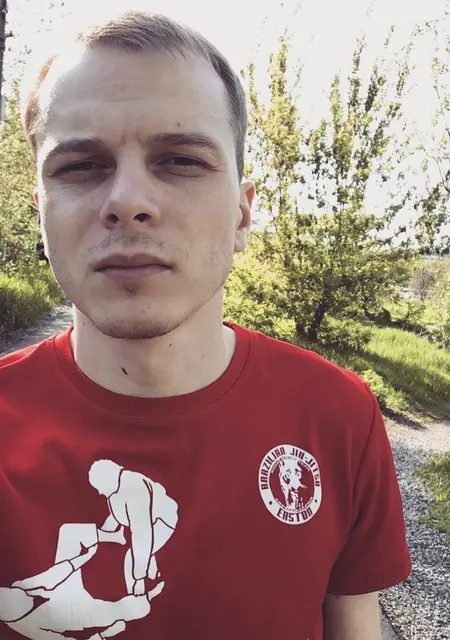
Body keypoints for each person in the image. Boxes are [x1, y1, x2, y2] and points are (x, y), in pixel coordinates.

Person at [0, 8, 411, 640]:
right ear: (42, 213)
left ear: (243, 214)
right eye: (81, 166)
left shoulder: (337, 416)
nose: (127, 202)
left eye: (180, 160)